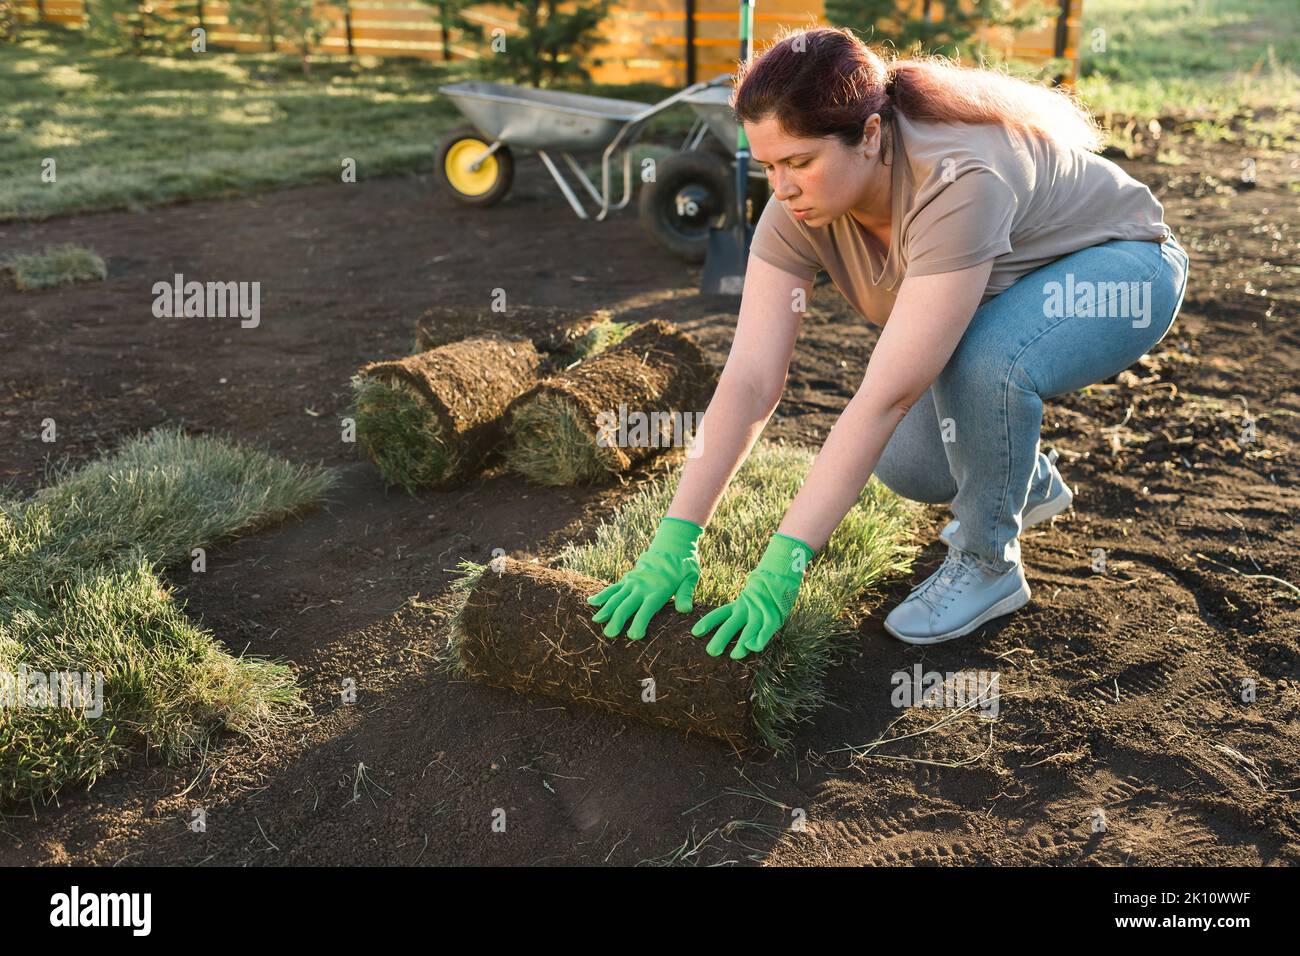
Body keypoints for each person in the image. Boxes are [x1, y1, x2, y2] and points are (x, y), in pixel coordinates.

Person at [588, 26, 1189, 655]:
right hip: (1008, 295)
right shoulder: (795, 211)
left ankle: (988, 563)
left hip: (1122, 267)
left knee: (987, 363)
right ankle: (1023, 476)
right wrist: (676, 538)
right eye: (767, 166)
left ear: (870, 135)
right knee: (909, 464)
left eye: (799, 162)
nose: (782, 186)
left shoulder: (955, 180)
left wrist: (780, 570)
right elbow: (750, 379)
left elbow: (885, 396)